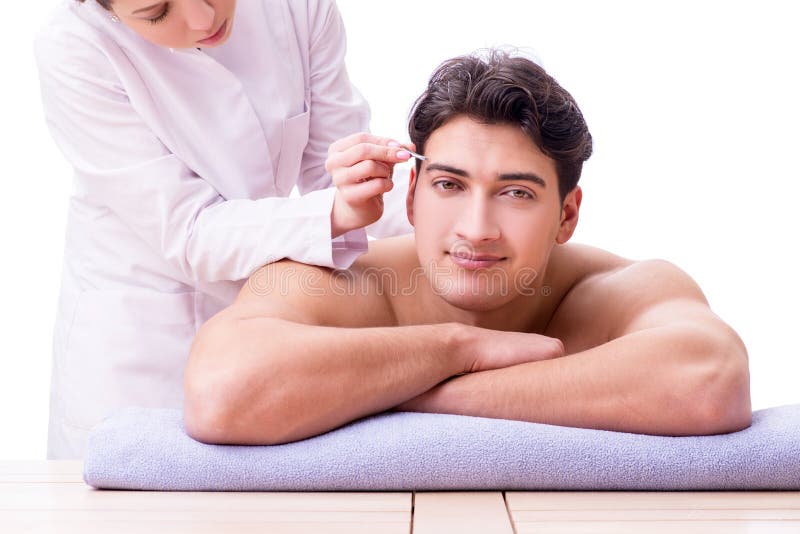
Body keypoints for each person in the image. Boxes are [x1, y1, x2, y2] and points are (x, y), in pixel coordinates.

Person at [184, 50, 753, 446]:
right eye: (450, 185)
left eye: (516, 193)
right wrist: (458, 347)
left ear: (567, 215)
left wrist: (399, 392)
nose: (477, 229)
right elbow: (219, 391)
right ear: (411, 197)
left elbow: (712, 379)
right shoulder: (337, 281)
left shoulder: (619, 289)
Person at [35, 0, 412, 459]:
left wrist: (442, 199)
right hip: (139, 345)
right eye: (156, 12)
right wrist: (334, 212)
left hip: (261, 332)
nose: (204, 19)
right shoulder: (75, 46)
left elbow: (338, 164)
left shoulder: (298, 7)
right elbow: (190, 231)